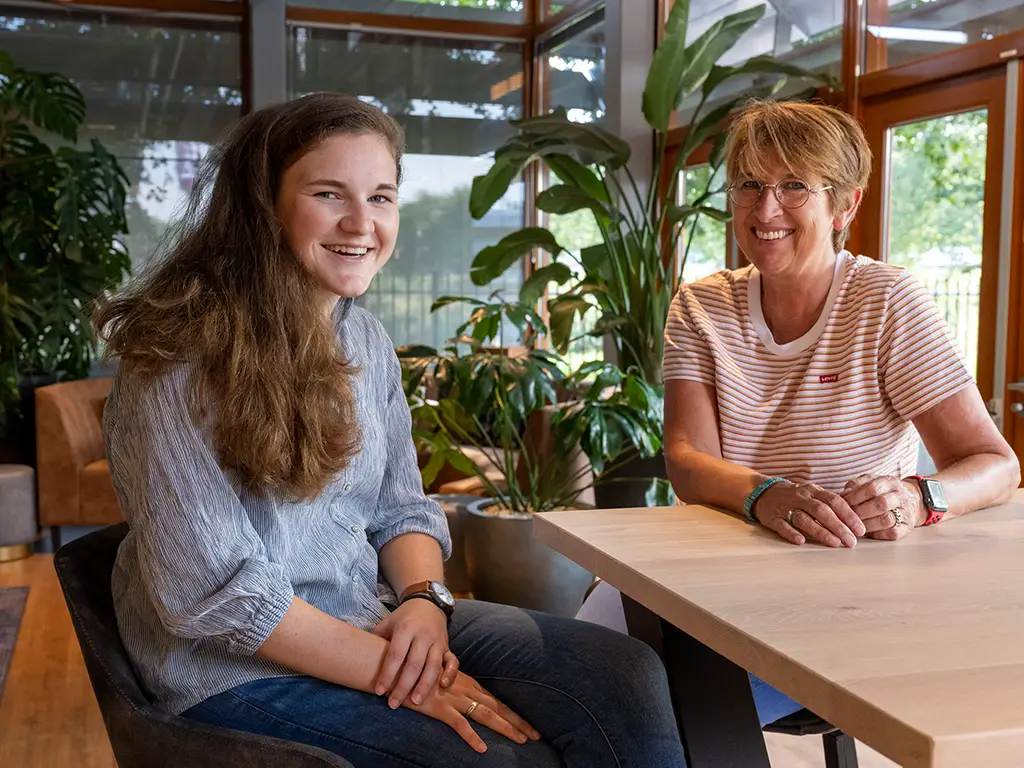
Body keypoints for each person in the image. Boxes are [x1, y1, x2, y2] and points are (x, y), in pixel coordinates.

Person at [93, 93, 686, 768]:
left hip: (365, 612)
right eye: (328, 193)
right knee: (499, 759)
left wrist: (426, 602)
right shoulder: (175, 356)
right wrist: (399, 674)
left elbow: (401, 506)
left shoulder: (364, 339)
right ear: (262, 205)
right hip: (229, 669)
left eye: (381, 197)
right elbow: (215, 594)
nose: (361, 223)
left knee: (622, 674)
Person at [577, 99, 1020, 726]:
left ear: (845, 205)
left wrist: (919, 497)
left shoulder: (886, 300)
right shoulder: (701, 306)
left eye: (794, 187)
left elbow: (996, 466)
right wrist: (766, 494)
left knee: (642, 718)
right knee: (568, 682)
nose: (766, 211)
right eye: (749, 186)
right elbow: (688, 460)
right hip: (709, 573)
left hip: (843, 595)